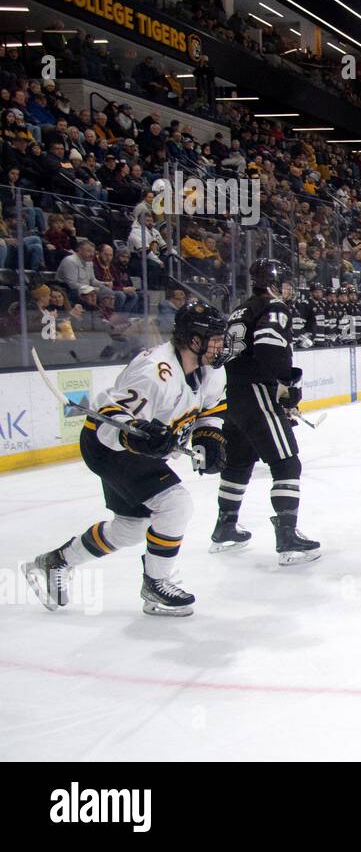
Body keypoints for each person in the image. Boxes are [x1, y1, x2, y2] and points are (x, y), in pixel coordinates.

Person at [22, 303, 229, 616]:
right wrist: (135, 434)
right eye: (214, 338)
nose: (221, 345)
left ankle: (56, 561)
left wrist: (208, 438)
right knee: (175, 504)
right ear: (194, 340)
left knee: (131, 528)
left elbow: (212, 408)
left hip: (132, 450)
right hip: (108, 446)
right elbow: (109, 423)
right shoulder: (156, 372)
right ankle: (156, 584)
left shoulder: (210, 369)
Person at [211, 258, 320, 564]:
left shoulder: (241, 308)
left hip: (234, 396)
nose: (288, 289)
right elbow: (270, 346)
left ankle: (225, 526)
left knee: (239, 463)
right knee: (287, 463)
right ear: (273, 282)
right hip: (259, 393)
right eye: (285, 283)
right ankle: (287, 538)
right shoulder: (274, 307)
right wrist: (286, 385)